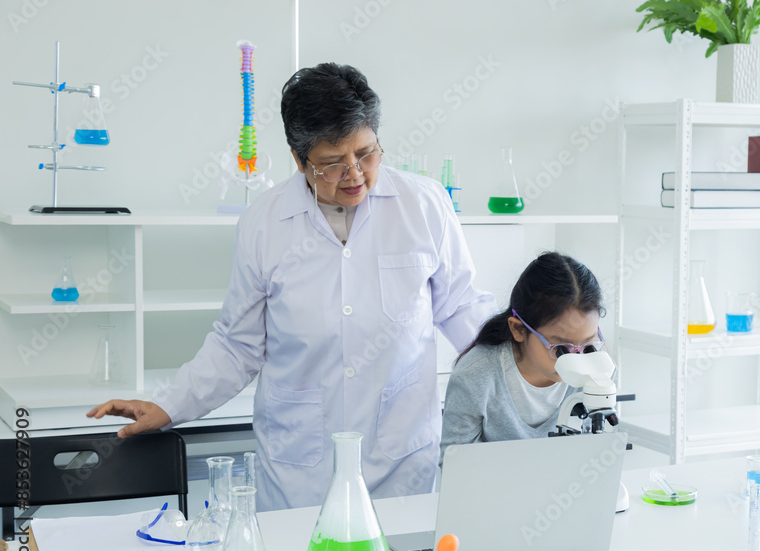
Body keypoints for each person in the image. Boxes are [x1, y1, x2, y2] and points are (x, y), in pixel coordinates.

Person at [87, 62, 495, 511]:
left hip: (400, 463)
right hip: (300, 470)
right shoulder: (264, 223)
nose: (355, 174)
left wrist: (529, 364)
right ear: (299, 160)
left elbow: (461, 307)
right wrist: (167, 406)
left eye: (366, 153)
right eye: (332, 163)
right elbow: (237, 346)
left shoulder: (424, 204)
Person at [440, 252, 606, 457]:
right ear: (518, 329)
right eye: (561, 348)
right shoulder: (476, 375)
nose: (576, 358)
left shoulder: (596, 368)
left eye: (588, 345)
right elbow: (454, 463)